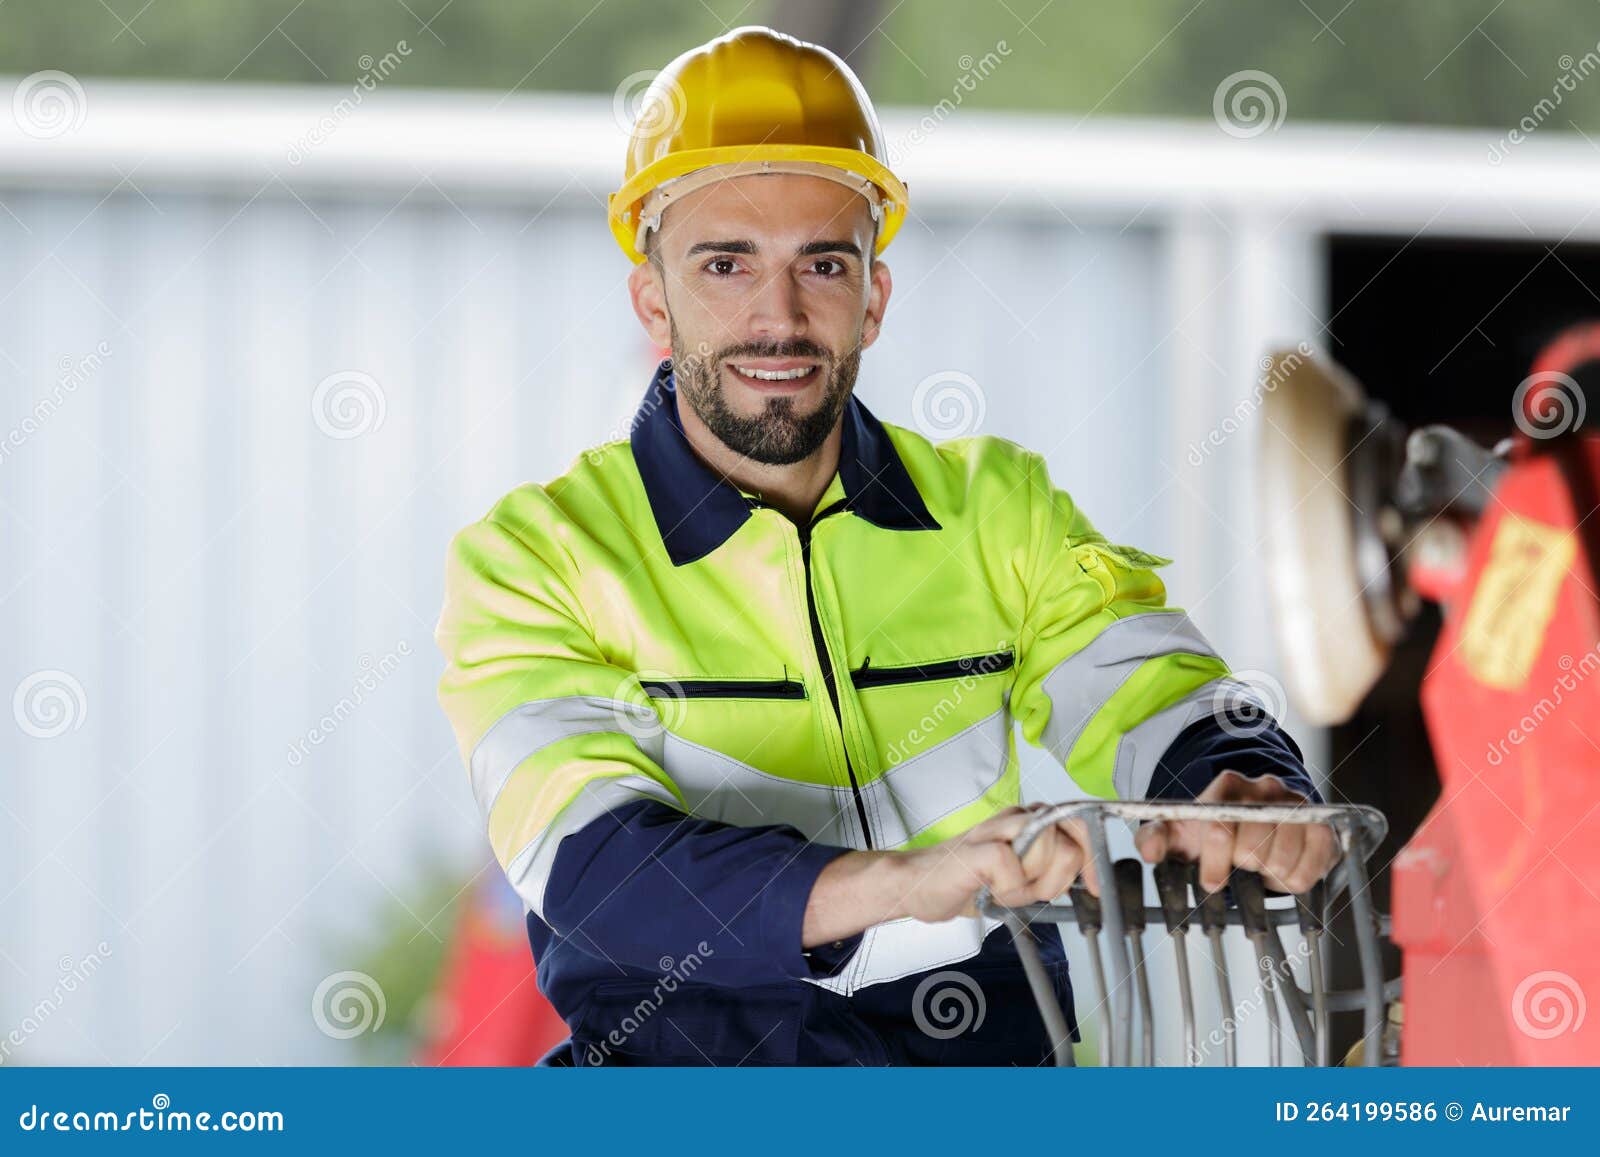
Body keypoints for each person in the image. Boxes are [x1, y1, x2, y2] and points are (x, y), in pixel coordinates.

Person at [434, 25, 1332, 1066]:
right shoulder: (534, 559)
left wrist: (1242, 784)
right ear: (654, 302)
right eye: (724, 264)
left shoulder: (996, 509)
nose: (778, 317)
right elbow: (598, 870)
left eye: (823, 263)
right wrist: (902, 882)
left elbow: (1156, 690)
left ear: (874, 299)